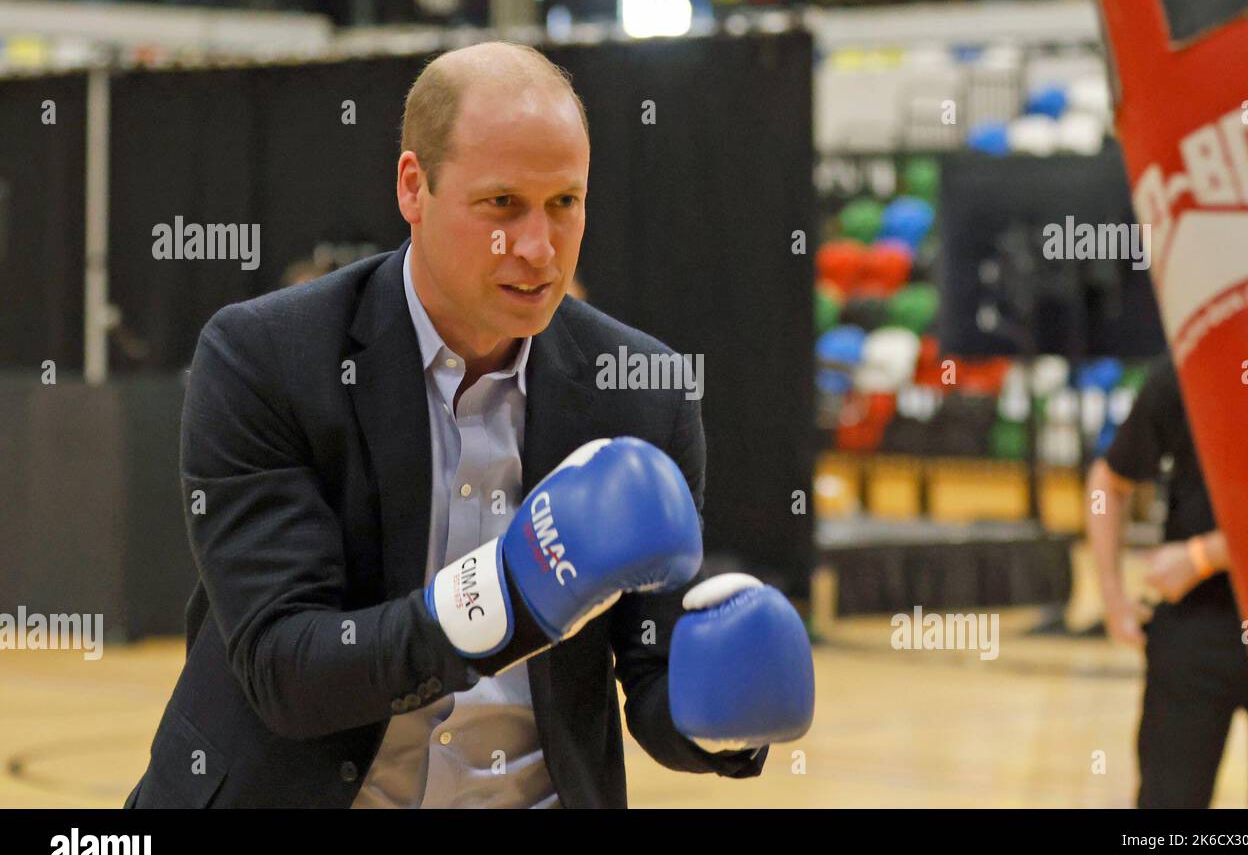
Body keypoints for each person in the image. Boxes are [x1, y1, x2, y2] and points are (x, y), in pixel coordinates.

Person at [125, 42, 812, 808]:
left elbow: (647, 675)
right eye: (501, 205)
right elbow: (287, 669)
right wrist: (511, 595)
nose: (538, 248)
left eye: (564, 203)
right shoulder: (267, 359)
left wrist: (719, 707)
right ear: (414, 188)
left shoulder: (640, 392)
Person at [1086, 353, 1248, 808]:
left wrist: (1204, 556)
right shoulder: (1187, 370)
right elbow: (1108, 480)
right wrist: (1113, 598)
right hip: (1193, 634)